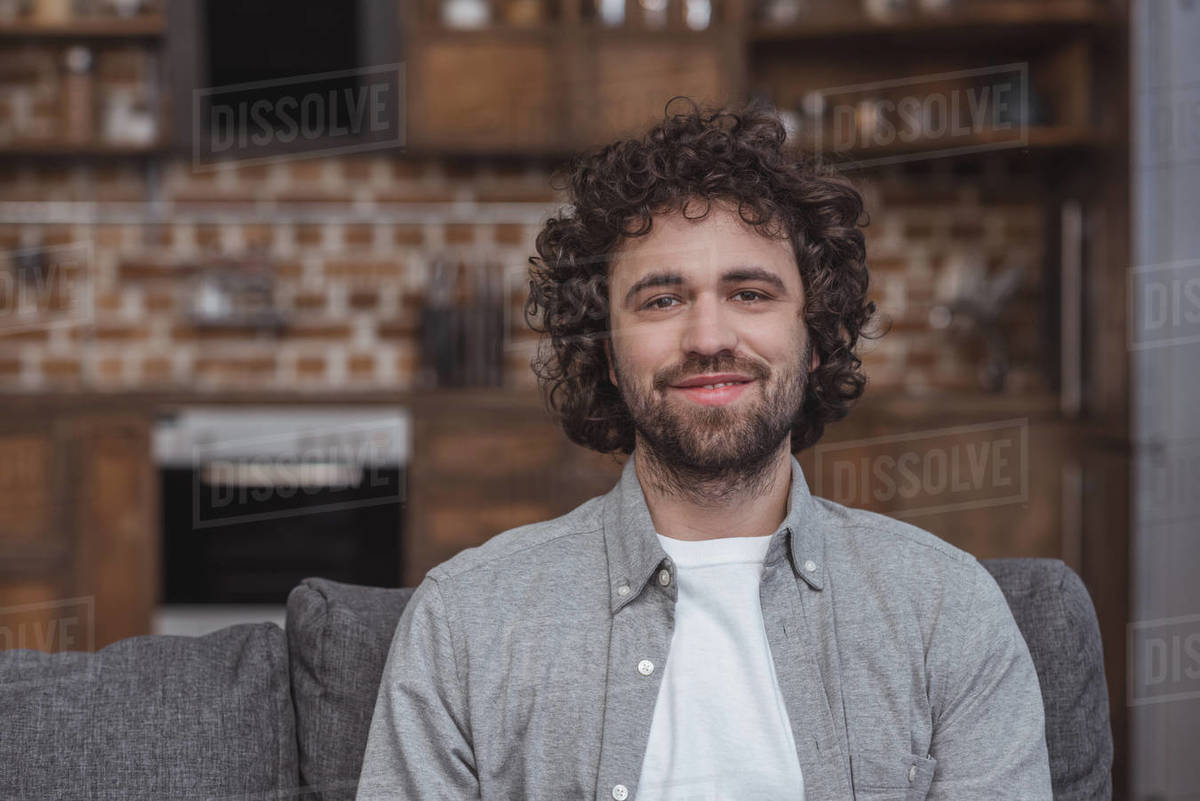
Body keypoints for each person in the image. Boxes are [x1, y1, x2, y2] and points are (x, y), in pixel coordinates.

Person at [355, 98, 1052, 801]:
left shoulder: (946, 610)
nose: (708, 338)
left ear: (815, 337)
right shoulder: (464, 622)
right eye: (661, 300)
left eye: (750, 293)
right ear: (606, 352)